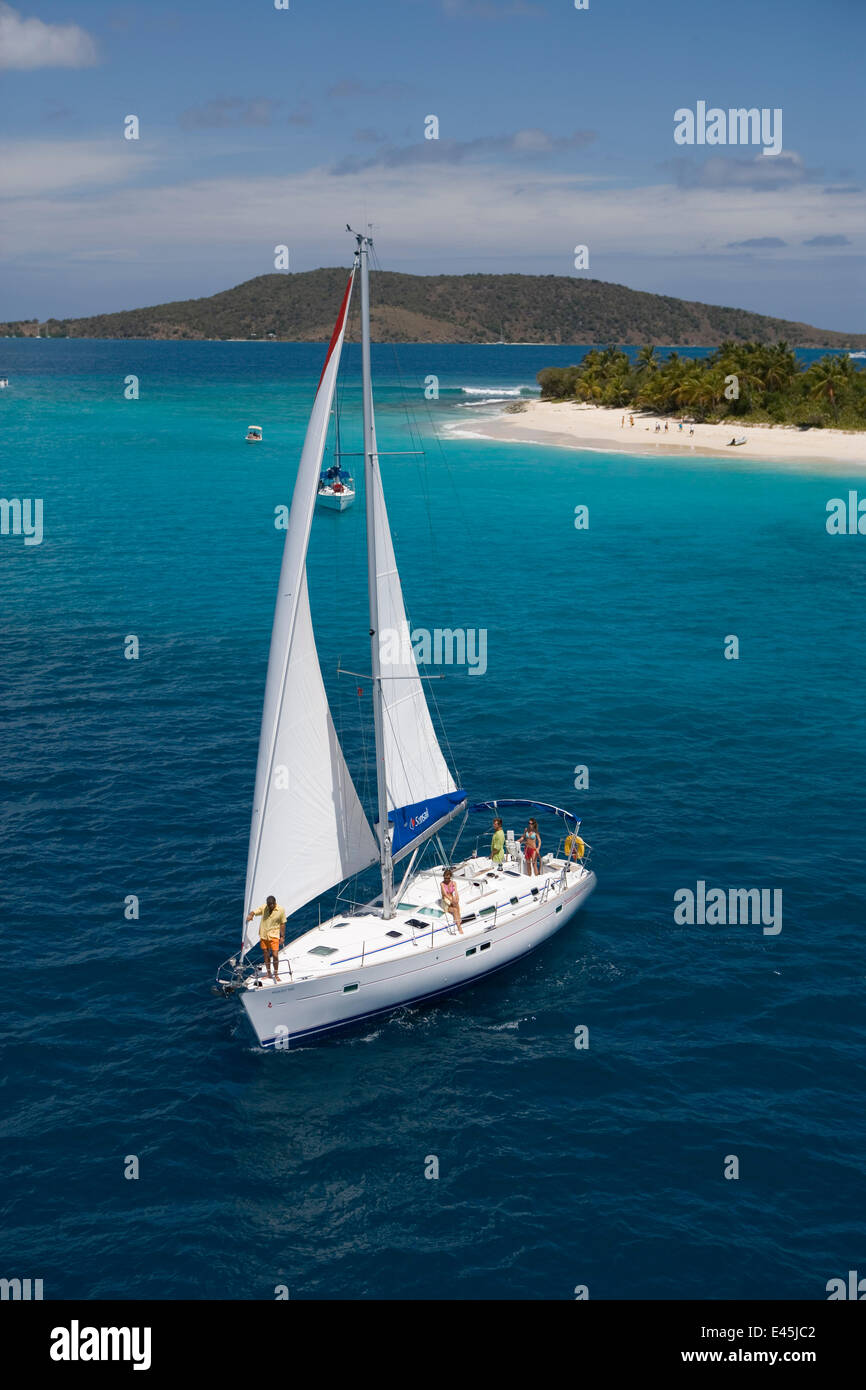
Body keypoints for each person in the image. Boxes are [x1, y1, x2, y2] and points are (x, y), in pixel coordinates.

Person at [246, 895, 286, 981]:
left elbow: (282, 924)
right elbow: (255, 912)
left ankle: (276, 973)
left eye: (271, 904)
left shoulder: (281, 910)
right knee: (266, 953)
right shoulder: (264, 907)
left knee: (275, 955)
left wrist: (282, 936)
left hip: (274, 935)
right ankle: (268, 973)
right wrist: (250, 915)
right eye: (268, 904)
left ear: (275, 903)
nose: (270, 906)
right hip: (264, 935)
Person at [440, 869, 462, 933]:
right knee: (455, 908)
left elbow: (456, 892)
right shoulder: (442, 884)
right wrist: (452, 900)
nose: (446, 879)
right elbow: (445, 894)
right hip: (445, 901)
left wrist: (457, 898)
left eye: (448, 878)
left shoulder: (454, 883)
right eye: (445, 878)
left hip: (451, 899)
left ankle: (458, 918)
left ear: (450, 877)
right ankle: (459, 926)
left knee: (456, 904)